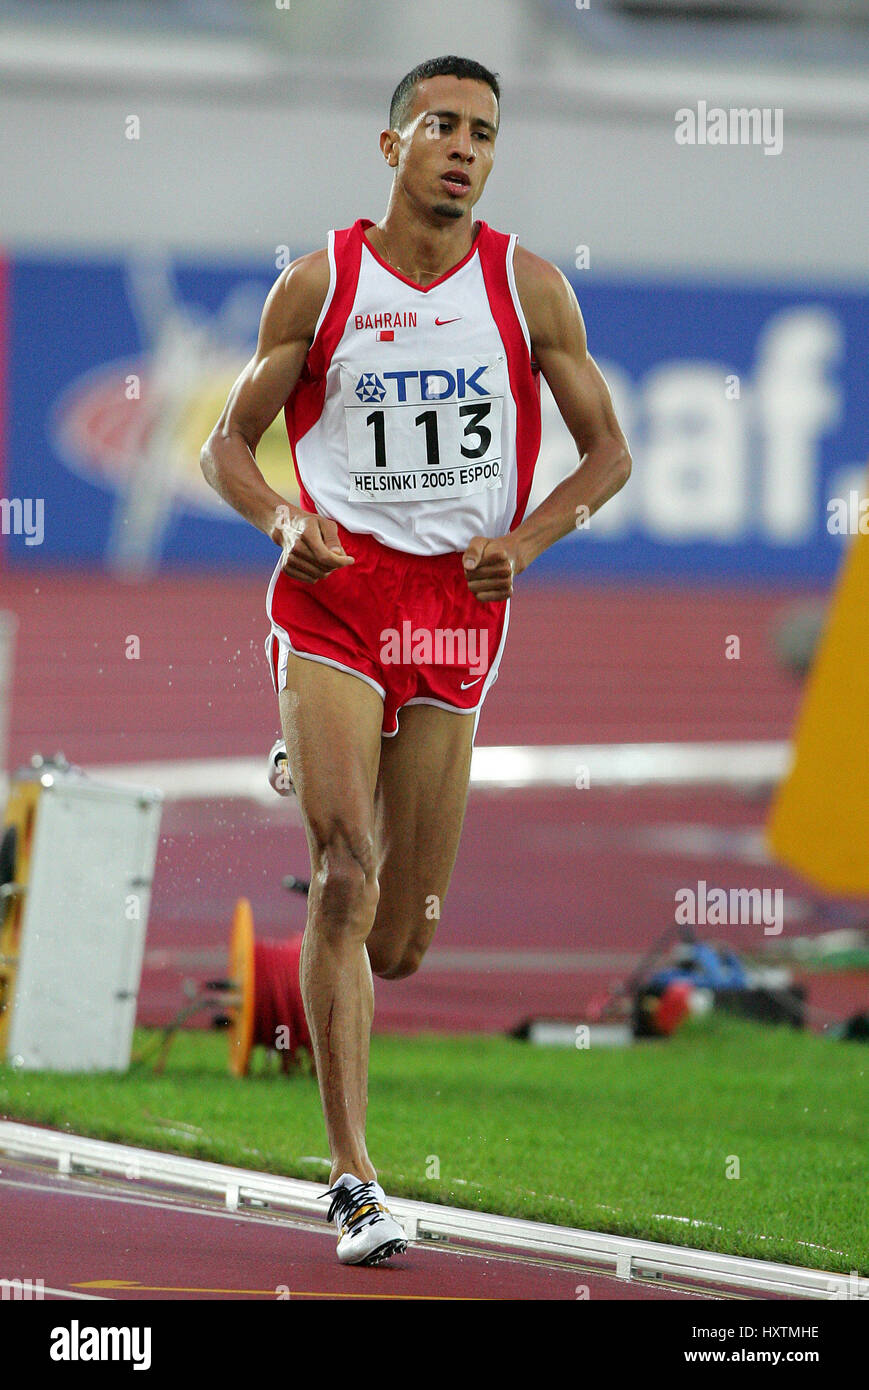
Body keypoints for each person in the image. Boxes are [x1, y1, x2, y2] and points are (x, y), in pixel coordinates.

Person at [201, 54, 631, 1266]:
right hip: (336, 595)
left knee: (398, 937)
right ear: (389, 146)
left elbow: (607, 454)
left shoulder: (530, 291)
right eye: (439, 125)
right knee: (345, 872)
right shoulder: (321, 279)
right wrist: (287, 520)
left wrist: (526, 541)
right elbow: (224, 448)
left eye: (483, 132)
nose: (463, 147)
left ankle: (322, 781)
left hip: (455, 608)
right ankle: (352, 1180)